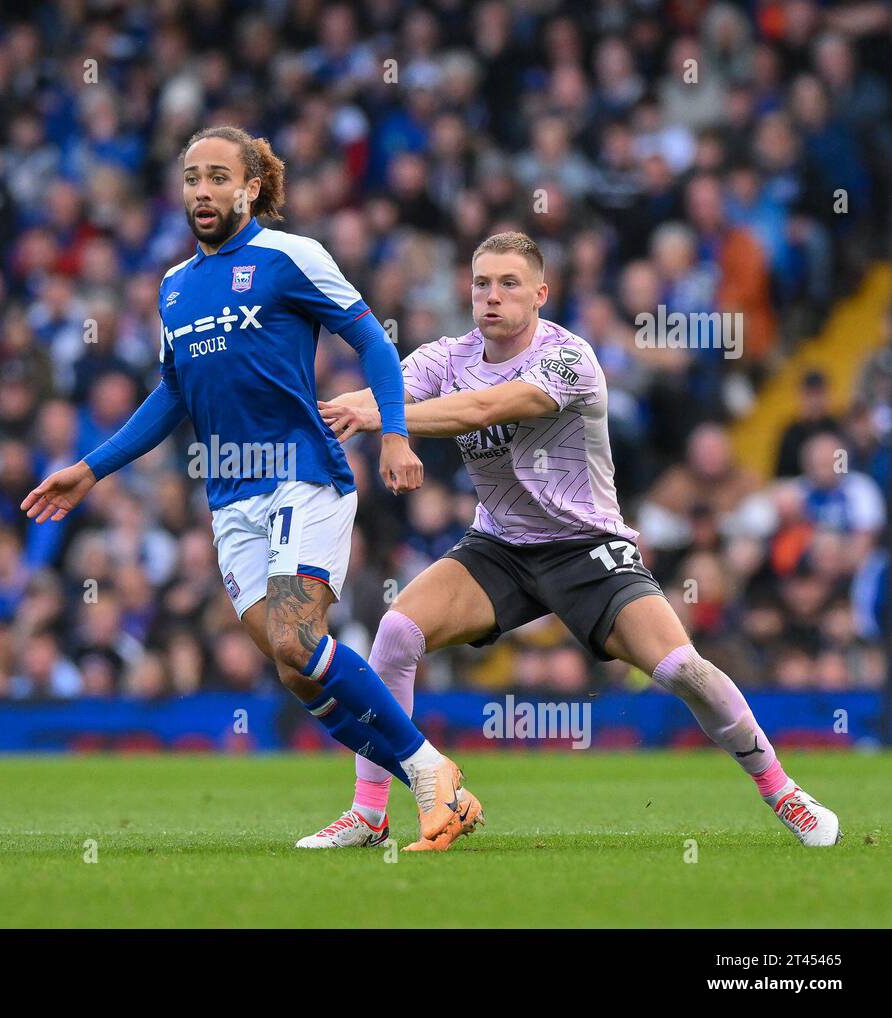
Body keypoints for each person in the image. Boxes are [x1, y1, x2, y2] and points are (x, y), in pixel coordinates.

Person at [24, 125, 479, 849]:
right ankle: (377, 810)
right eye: (190, 177)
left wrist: (395, 431)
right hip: (231, 500)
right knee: (296, 670)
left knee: (299, 640)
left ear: (251, 187)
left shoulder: (290, 255)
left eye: (215, 177)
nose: (200, 190)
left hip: (304, 475)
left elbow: (372, 342)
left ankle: (430, 773)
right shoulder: (174, 287)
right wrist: (92, 467)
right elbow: (172, 394)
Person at [317, 231, 841, 850]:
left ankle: (782, 789)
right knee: (397, 632)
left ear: (541, 293)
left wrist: (385, 420)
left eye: (509, 284)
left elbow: (487, 408)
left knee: (681, 671)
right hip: (501, 547)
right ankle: (370, 812)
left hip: (584, 547)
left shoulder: (568, 359)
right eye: (482, 282)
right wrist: (329, 409)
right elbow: (381, 394)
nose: (492, 296)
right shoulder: (447, 356)